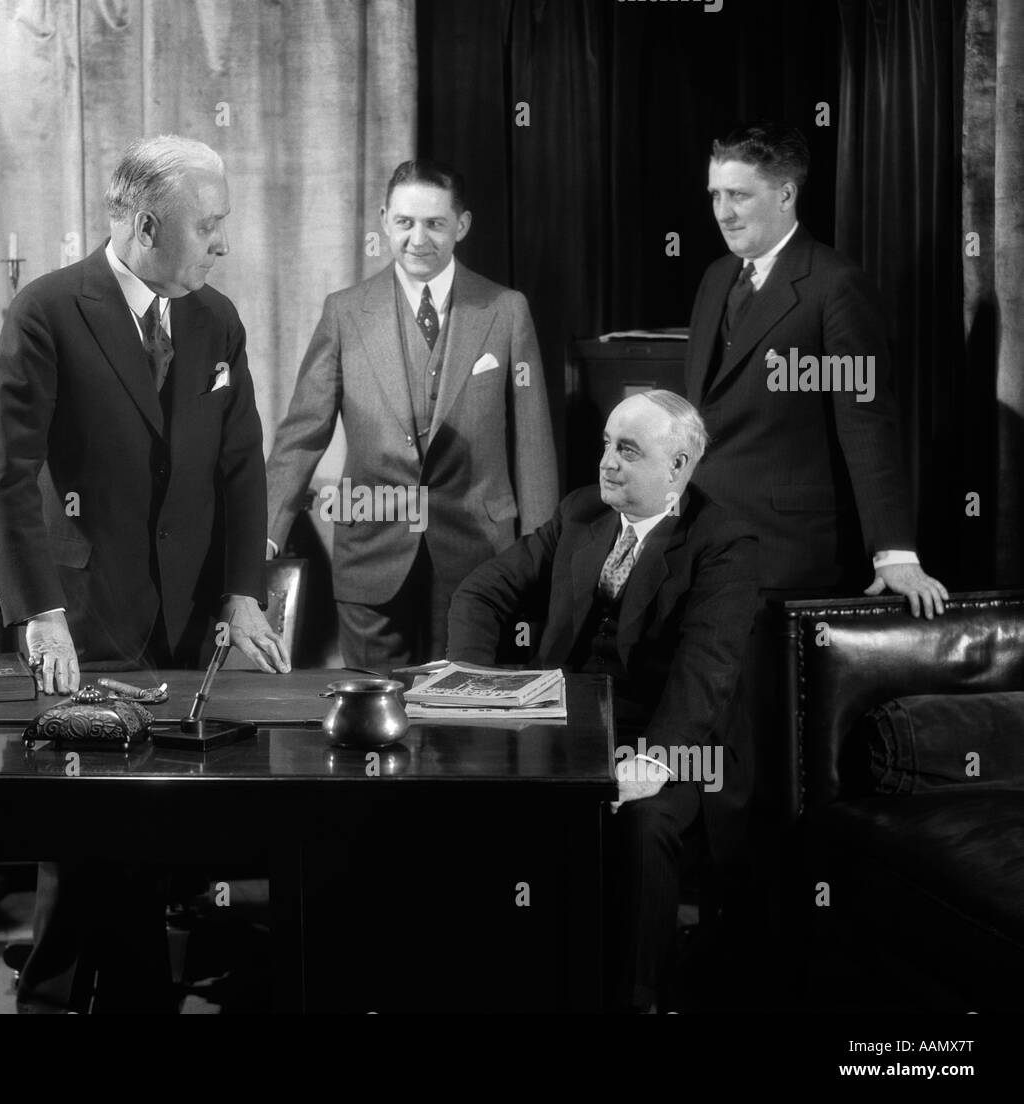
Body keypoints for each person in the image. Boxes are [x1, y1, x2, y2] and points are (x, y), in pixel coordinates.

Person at [0, 135, 288, 1013]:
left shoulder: (217, 318)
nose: (222, 241)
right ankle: (52, 995)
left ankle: (140, 991)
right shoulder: (45, 310)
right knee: (80, 827)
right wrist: (37, 611)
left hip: (185, 616)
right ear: (150, 225)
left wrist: (241, 592)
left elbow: (242, 467)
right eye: (211, 224)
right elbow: (0, 473)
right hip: (79, 612)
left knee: (154, 824)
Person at [447, 391, 759, 1012]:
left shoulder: (724, 542)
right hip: (568, 731)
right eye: (607, 445)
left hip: (676, 742)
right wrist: (473, 691)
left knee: (643, 825)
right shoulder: (581, 512)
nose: (607, 463)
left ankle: (637, 999)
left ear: (678, 467)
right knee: (466, 799)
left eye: (628, 450)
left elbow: (707, 667)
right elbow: (481, 593)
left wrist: (655, 762)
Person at [265, 159, 559, 672]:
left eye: (434, 224)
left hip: (478, 556)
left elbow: (532, 444)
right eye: (405, 222)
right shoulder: (344, 312)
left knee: (464, 725)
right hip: (370, 554)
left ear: (461, 226)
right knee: (370, 725)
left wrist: (538, 553)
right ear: (384, 220)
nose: (418, 238)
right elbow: (302, 434)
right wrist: (267, 531)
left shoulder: (507, 310)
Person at [687, 120, 947, 616]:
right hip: (707, 549)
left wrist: (893, 551)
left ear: (785, 194)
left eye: (739, 195)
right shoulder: (715, 278)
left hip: (789, 556)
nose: (723, 213)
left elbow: (865, 421)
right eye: (715, 195)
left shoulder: (835, 286)